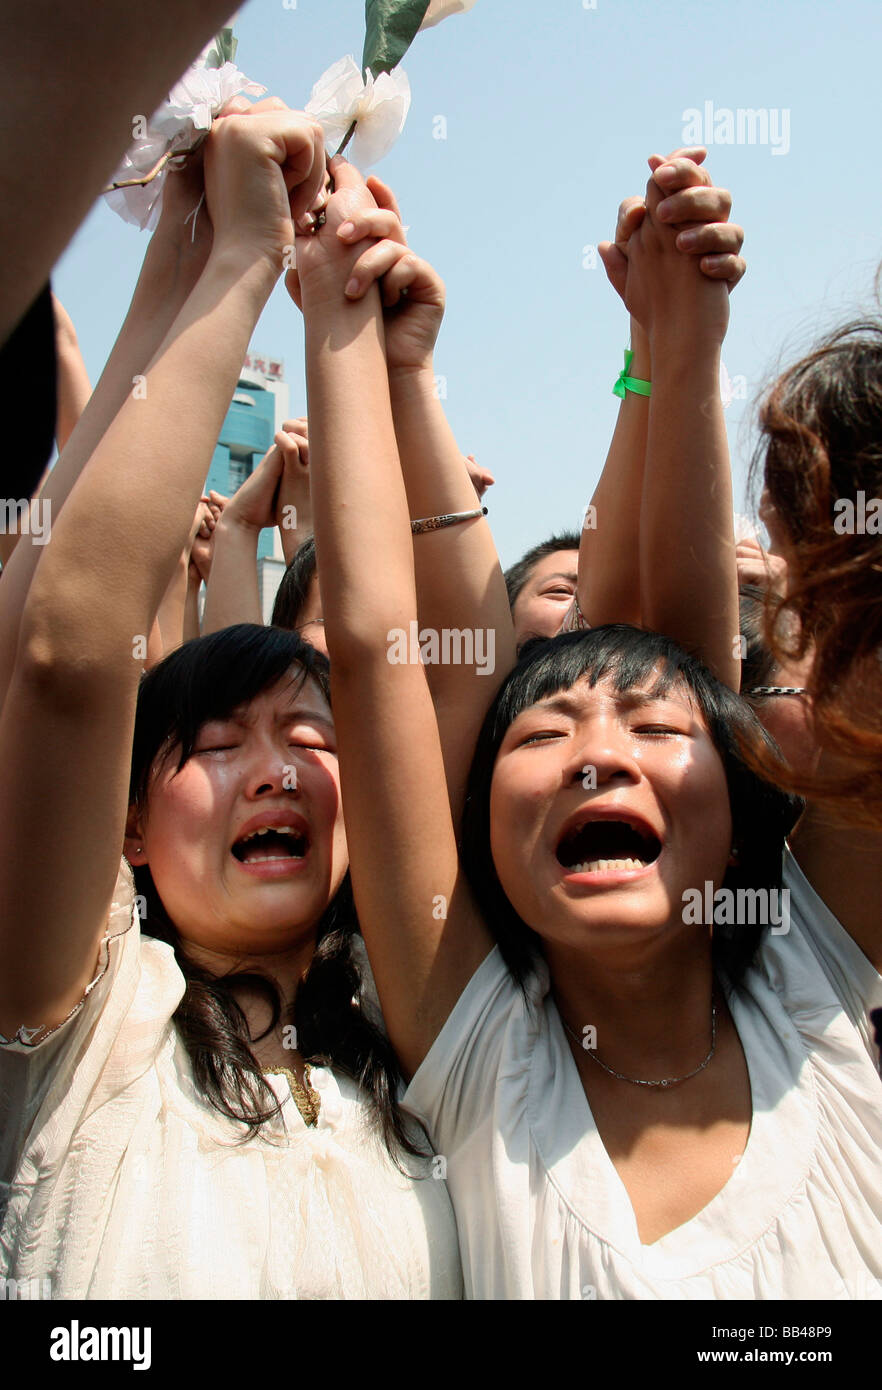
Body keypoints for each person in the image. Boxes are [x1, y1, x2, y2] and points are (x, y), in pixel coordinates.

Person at [297, 151, 882, 1298]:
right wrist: (340, 323)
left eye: (651, 730)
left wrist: (685, 345)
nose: (598, 755)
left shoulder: (810, 976)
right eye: (541, 735)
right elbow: (375, 653)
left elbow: (699, 644)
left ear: (735, 787)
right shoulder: (478, 1055)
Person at [0, 104, 461, 1300]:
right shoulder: (89, 1028)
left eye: (312, 739)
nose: (280, 770)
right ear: (130, 828)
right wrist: (230, 261)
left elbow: (378, 647)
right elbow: (67, 649)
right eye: (217, 745)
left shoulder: (428, 1055)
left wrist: (347, 319)